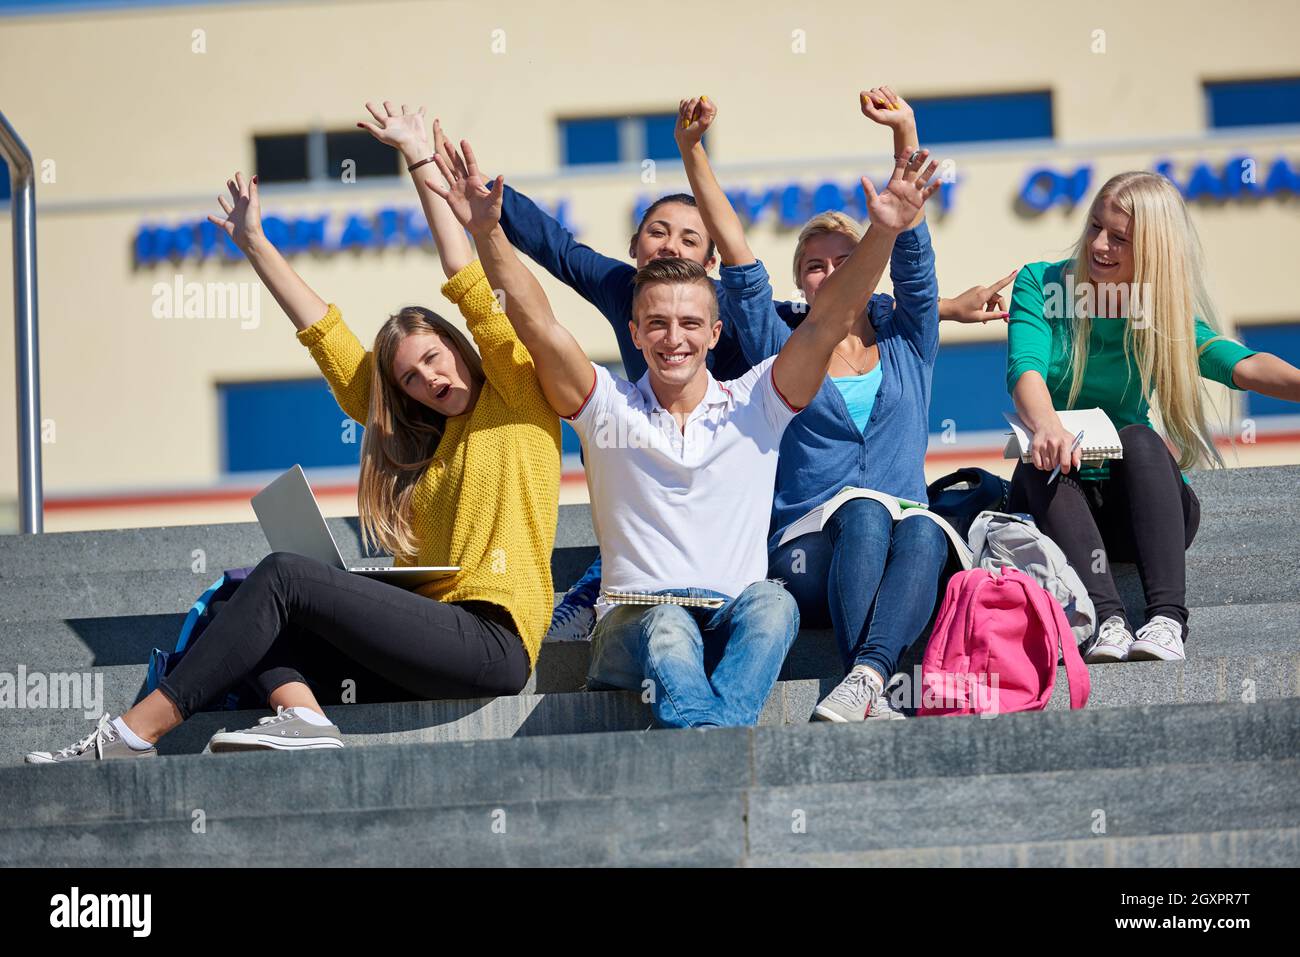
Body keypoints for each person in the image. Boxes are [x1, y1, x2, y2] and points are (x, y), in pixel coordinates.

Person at [24, 102, 561, 764]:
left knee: (281, 576)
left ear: (457, 343)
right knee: (236, 607)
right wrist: (255, 243)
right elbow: (329, 339)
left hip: (490, 639)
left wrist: (419, 160)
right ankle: (303, 720)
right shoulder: (425, 444)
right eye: (413, 379)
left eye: (434, 358)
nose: (429, 379)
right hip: (427, 642)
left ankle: (129, 735)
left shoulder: (515, 393)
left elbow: (469, 281)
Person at [425, 131, 942, 727]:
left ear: (716, 334)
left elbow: (825, 324)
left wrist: (884, 233)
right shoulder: (606, 407)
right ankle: (716, 741)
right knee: (668, 621)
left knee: (774, 602)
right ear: (636, 333)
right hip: (634, 624)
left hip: (731, 616)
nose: (675, 339)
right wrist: (488, 232)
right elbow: (536, 323)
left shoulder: (757, 405)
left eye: (691, 323)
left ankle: (705, 737)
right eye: (658, 324)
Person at [495, 97, 1012, 641]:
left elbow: (871, 285)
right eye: (657, 232)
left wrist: (942, 303)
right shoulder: (644, 294)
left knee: (912, 528)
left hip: (790, 488)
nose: (670, 245)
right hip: (751, 509)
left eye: (690, 239)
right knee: (662, 489)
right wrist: (485, 198)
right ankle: (596, 590)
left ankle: (868, 678)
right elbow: (557, 246)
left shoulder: (851, 333)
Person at [676, 89, 963, 722]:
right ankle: (870, 681)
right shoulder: (782, 345)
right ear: (800, 281)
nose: (829, 273)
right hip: (805, 551)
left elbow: (913, 256)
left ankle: (866, 679)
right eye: (812, 266)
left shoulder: (908, 340)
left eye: (843, 259)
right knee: (864, 512)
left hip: (900, 547)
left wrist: (904, 133)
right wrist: (691, 151)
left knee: (923, 525)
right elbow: (738, 258)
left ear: (868, 263)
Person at [1006, 170, 1300, 664]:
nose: (1100, 244)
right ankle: (1109, 621)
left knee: (1142, 437)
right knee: (1039, 462)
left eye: (1120, 238)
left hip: (1138, 507)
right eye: (1096, 226)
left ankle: (1166, 621)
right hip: (1063, 506)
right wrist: (1048, 425)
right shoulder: (1040, 283)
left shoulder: (1159, 308)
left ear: (1153, 248)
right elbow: (1025, 368)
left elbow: (1241, 365)